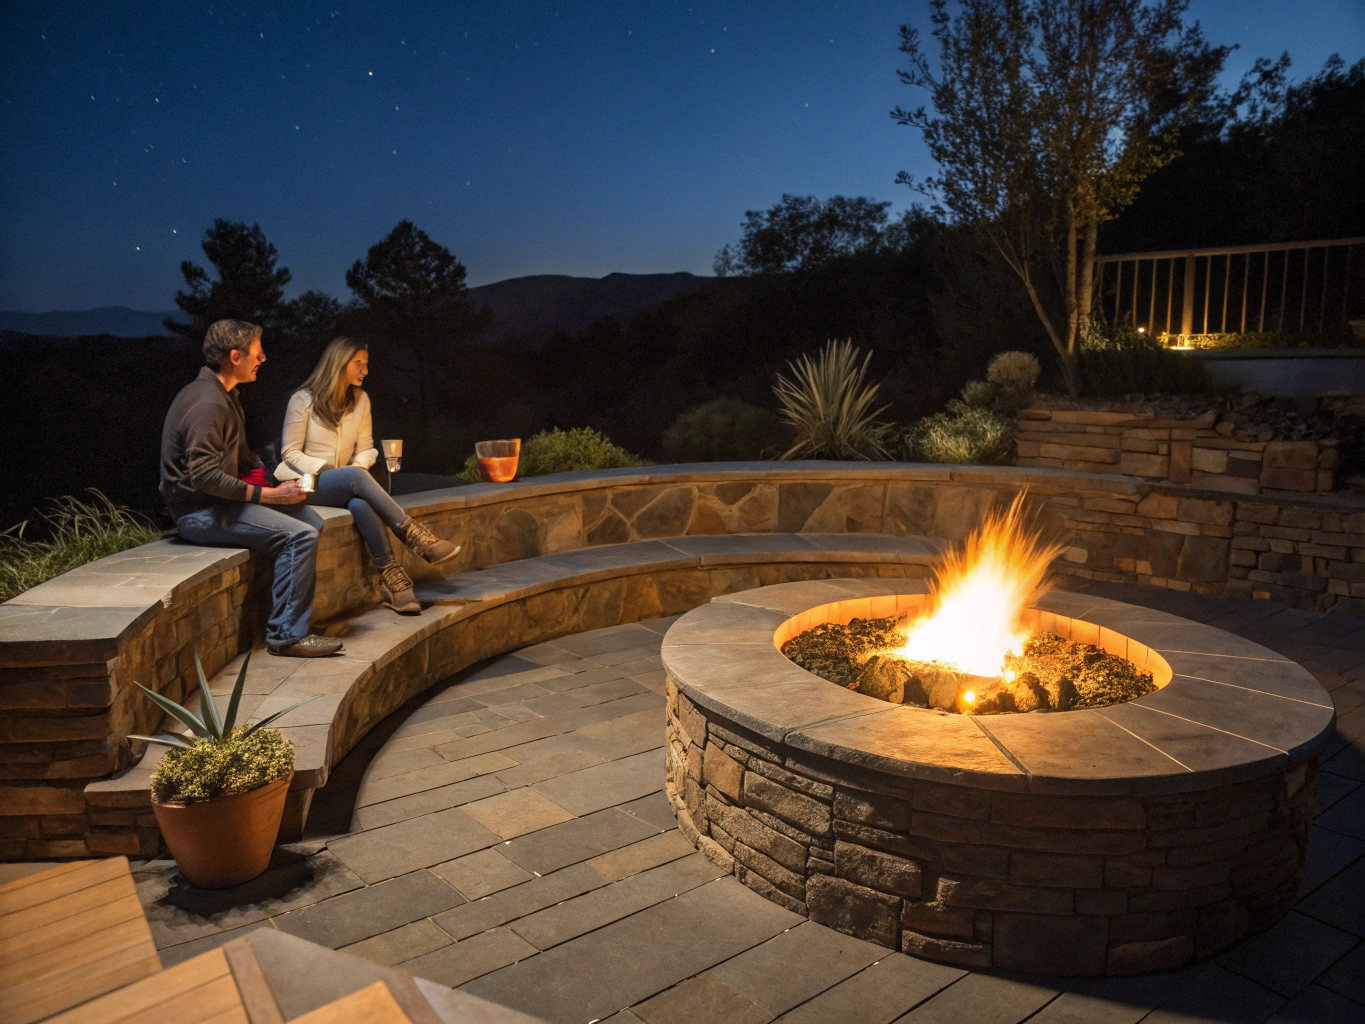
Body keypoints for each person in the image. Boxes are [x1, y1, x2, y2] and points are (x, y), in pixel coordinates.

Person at [161, 320, 342, 657]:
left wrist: (274, 481)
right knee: (299, 536)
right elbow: (203, 476)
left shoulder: (226, 396)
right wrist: (269, 496)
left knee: (311, 521)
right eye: (257, 353)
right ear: (235, 357)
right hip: (199, 512)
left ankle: (281, 612)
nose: (263, 358)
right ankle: (285, 636)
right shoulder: (208, 404)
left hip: (223, 503)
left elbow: (238, 459)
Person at [277, 336, 459, 615]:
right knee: (354, 478)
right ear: (339, 363)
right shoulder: (303, 400)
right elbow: (289, 452)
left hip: (346, 483)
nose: (366, 370)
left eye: (366, 363)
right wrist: (333, 471)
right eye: (359, 363)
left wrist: (357, 468)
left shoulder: (360, 400)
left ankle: (394, 581)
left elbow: (366, 448)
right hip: (305, 482)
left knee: (360, 503)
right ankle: (416, 537)